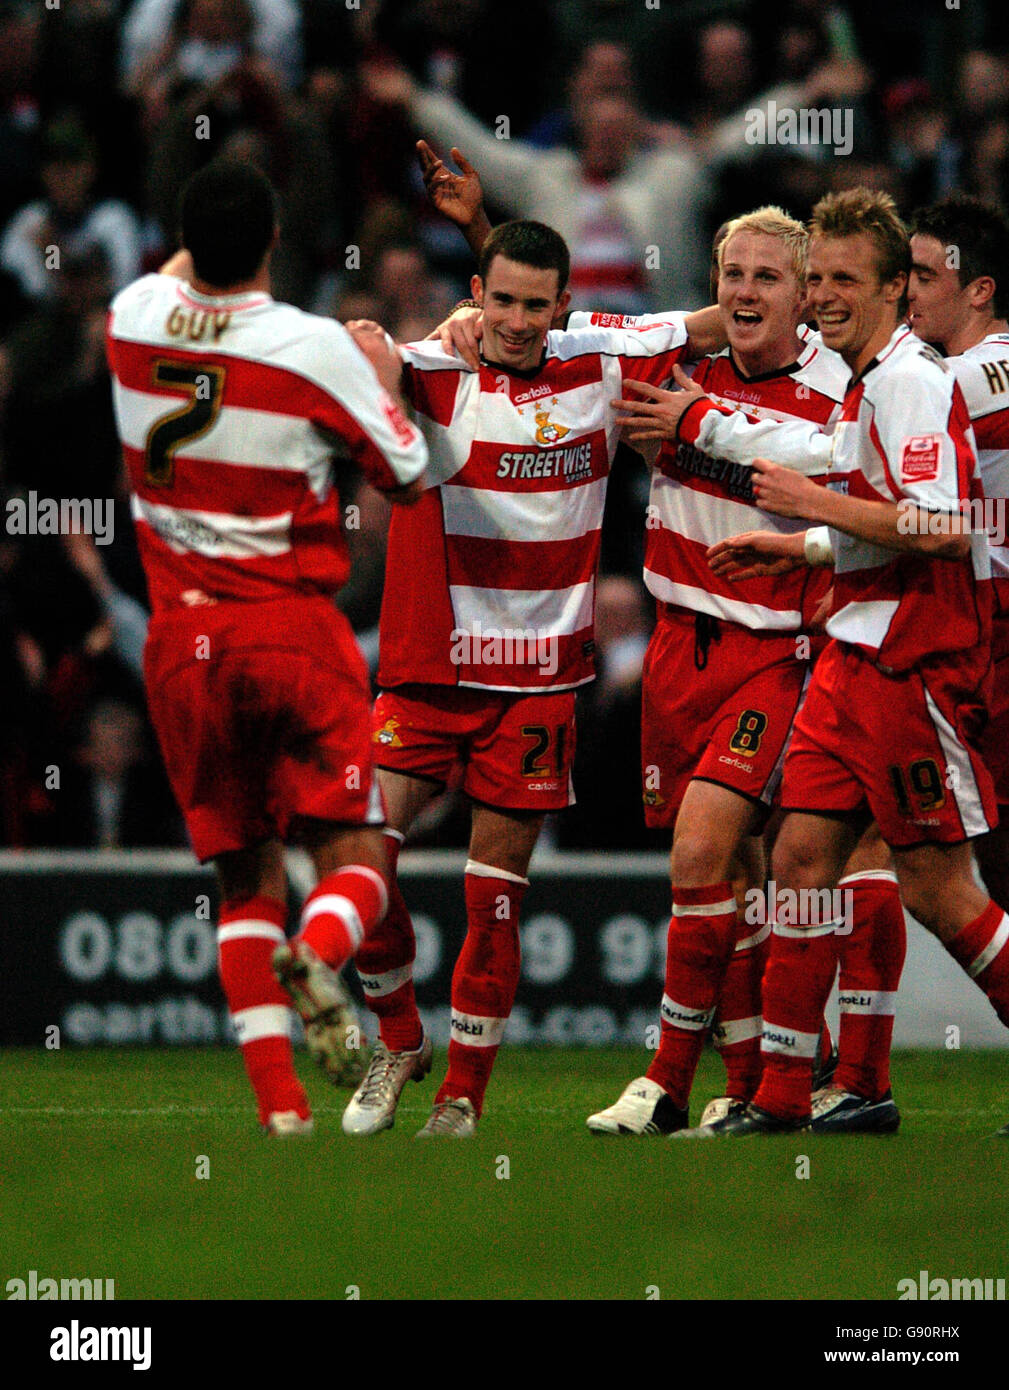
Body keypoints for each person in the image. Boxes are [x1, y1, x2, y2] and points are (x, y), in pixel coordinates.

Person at [341, 219, 717, 1138]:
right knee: (356, 855)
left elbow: (715, 325)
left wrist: (808, 307)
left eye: (531, 304)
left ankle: (462, 1094)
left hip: (539, 678)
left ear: (562, 306)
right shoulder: (433, 363)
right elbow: (358, 351)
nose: (513, 321)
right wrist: (377, 345)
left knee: (493, 889)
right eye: (497, 299)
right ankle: (398, 1039)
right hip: (428, 671)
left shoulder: (599, 356)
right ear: (477, 290)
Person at [105, 158, 428, 1135]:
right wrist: (379, 378)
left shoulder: (129, 316)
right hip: (288, 628)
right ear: (277, 243)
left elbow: (177, 273)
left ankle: (280, 1111)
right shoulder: (310, 346)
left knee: (242, 875)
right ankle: (319, 956)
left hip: (178, 644)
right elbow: (406, 473)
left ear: (183, 243)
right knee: (357, 852)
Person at [687, 188, 1007, 1136]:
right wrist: (797, 544)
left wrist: (812, 511)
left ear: (894, 289)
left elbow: (945, 530)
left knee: (938, 889)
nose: (820, 296)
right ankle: (788, 1094)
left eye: (842, 280)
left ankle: (846, 1080)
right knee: (797, 856)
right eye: (814, 277)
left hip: (912, 659)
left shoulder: (912, 380)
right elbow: (862, 499)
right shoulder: (870, 381)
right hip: (850, 647)